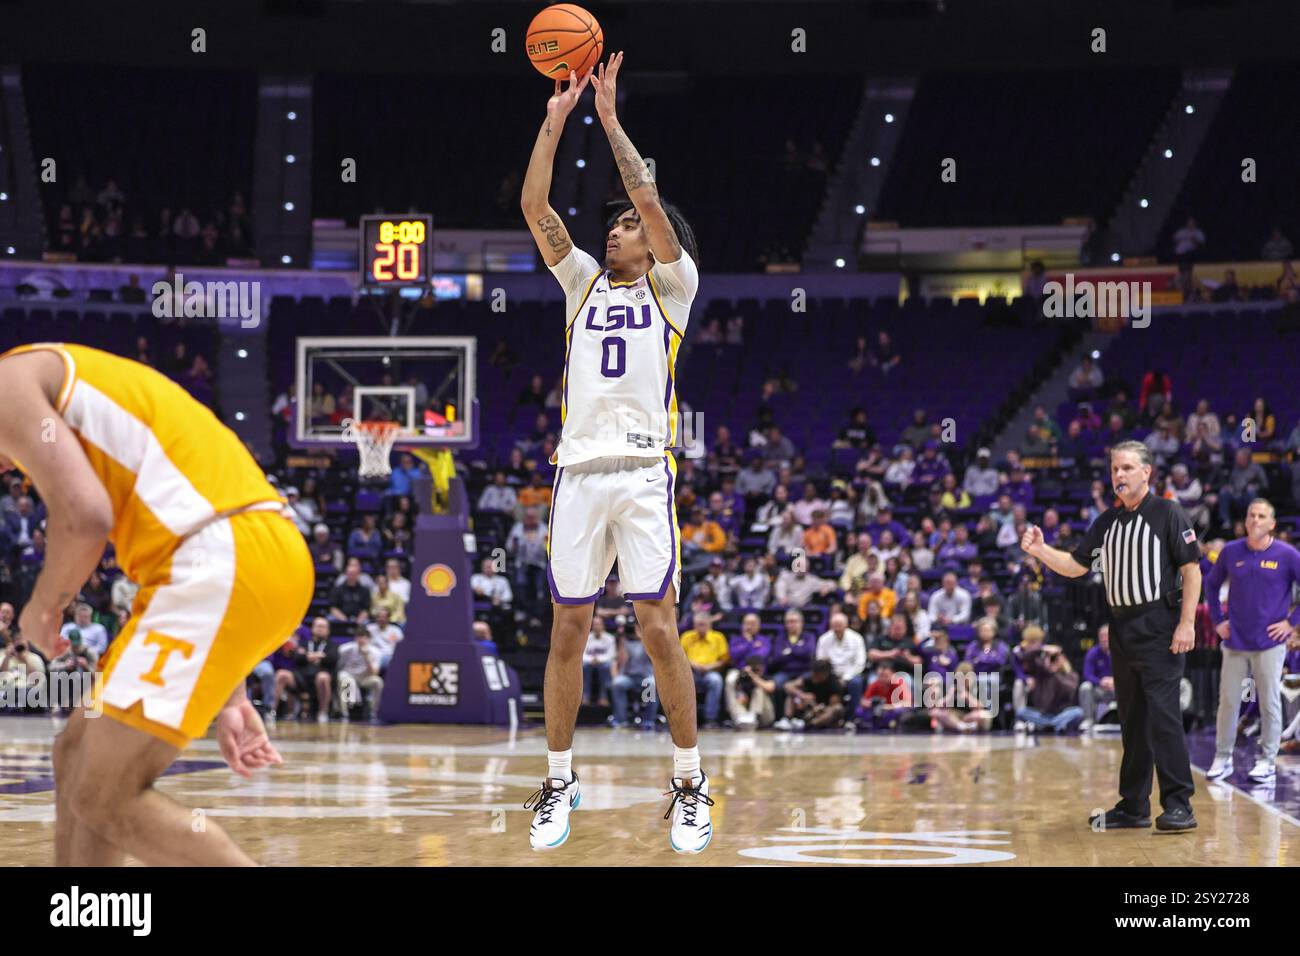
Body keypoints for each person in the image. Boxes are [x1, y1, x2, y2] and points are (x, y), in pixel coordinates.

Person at [0, 342, 312, 866]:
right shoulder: (69, 382)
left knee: (104, 795)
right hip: (248, 556)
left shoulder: (8, 385)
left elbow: (85, 514)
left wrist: (44, 608)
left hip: (222, 557)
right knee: (75, 755)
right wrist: (232, 698)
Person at [520, 55, 710, 854]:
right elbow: (534, 205)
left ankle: (691, 784)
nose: (616, 227)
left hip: (640, 473)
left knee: (659, 631)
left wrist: (610, 115)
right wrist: (556, 121)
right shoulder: (583, 284)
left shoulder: (675, 287)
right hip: (577, 475)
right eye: (615, 224)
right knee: (567, 631)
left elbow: (646, 195)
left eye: (627, 225)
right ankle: (559, 782)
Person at [1022, 441, 1201, 832]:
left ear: (1146, 473)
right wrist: (1040, 550)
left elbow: (1192, 571)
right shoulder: (1106, 522)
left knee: (1164, 718)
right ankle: (1134, 806)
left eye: (1126, 468)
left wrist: (1187, 624)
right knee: (1132, 720)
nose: (1118, 475)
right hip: (1121, 628)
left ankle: (1179, 805)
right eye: (1114, 469)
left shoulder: (1169, 513)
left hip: (1159, 626)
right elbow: (1074, 567)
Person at [1202, 499, 1300, 783]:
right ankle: (1223, 758)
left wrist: (1291, 624)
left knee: (1269, 702)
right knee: (1228, 701)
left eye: (1261, 516)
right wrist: (1218, 621)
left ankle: (1268, 760)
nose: (1255, 520)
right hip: (1235, 642)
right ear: (1245, 522)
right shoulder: (1231, 552)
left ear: (1272, 524)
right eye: (1251, 516)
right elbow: (1210, 585)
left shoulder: (1287, 554)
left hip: (1270, 643)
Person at [609, 620, 658, 730]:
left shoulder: (647, 640)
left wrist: (642, 637)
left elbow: (651, 656)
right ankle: (622, 720)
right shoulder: (624, 641)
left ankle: (648, 720)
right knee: (617, 684)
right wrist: (622, 639)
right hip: (629, 677)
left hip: (646, 676)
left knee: (652, 684)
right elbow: (622, 661)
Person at [774, 659, 843, 731]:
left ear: (824, 674)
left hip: (823, 712)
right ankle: (787, 720)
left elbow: (833, 705)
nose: (813, 675)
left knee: (838, 708)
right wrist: (802, 695)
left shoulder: (834, 684)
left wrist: (818, 708)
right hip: (808, 708)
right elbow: (787, 686)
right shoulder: (808, 677)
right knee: (792, 693)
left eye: (816, 674)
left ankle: (809, 724)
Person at [335, 628, 384, 722]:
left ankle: (374, 712)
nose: (361, 640)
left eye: (364, 638)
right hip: (349, 675)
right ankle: (345, 713)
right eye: (359, 637)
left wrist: (367, 657)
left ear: (369, 639)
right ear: (355, 639)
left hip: (365, 677)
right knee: (344, 678)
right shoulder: (345, 649)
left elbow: (374, 673)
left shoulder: (376, 652)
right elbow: (339, 666)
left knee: (378, 682)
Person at [1079, 624, 1116, 731]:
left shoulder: (1120, 651)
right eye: (1102, 636)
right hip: (1100, 689)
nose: (1104, 639)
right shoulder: (1092, 653)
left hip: (1119, 688)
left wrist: (1115, 681)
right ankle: (1089, 719)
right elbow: (1087, 674)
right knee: (1085, 687)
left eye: (1106, 635)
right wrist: (1100, 682)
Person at [581, 616, 616, 706]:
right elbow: (582, 654)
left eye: (598, 624)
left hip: (603, 663)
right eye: (594, 624)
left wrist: (598, 660)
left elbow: (611, 655)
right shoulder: (586, 637)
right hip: (589, 663)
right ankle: (585, 697)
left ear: (603, 625)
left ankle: (603, 697)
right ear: (591, 626)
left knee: (606, 667)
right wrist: (591, 660)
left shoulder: (610, 638)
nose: (596, 626)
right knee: (584, 667)